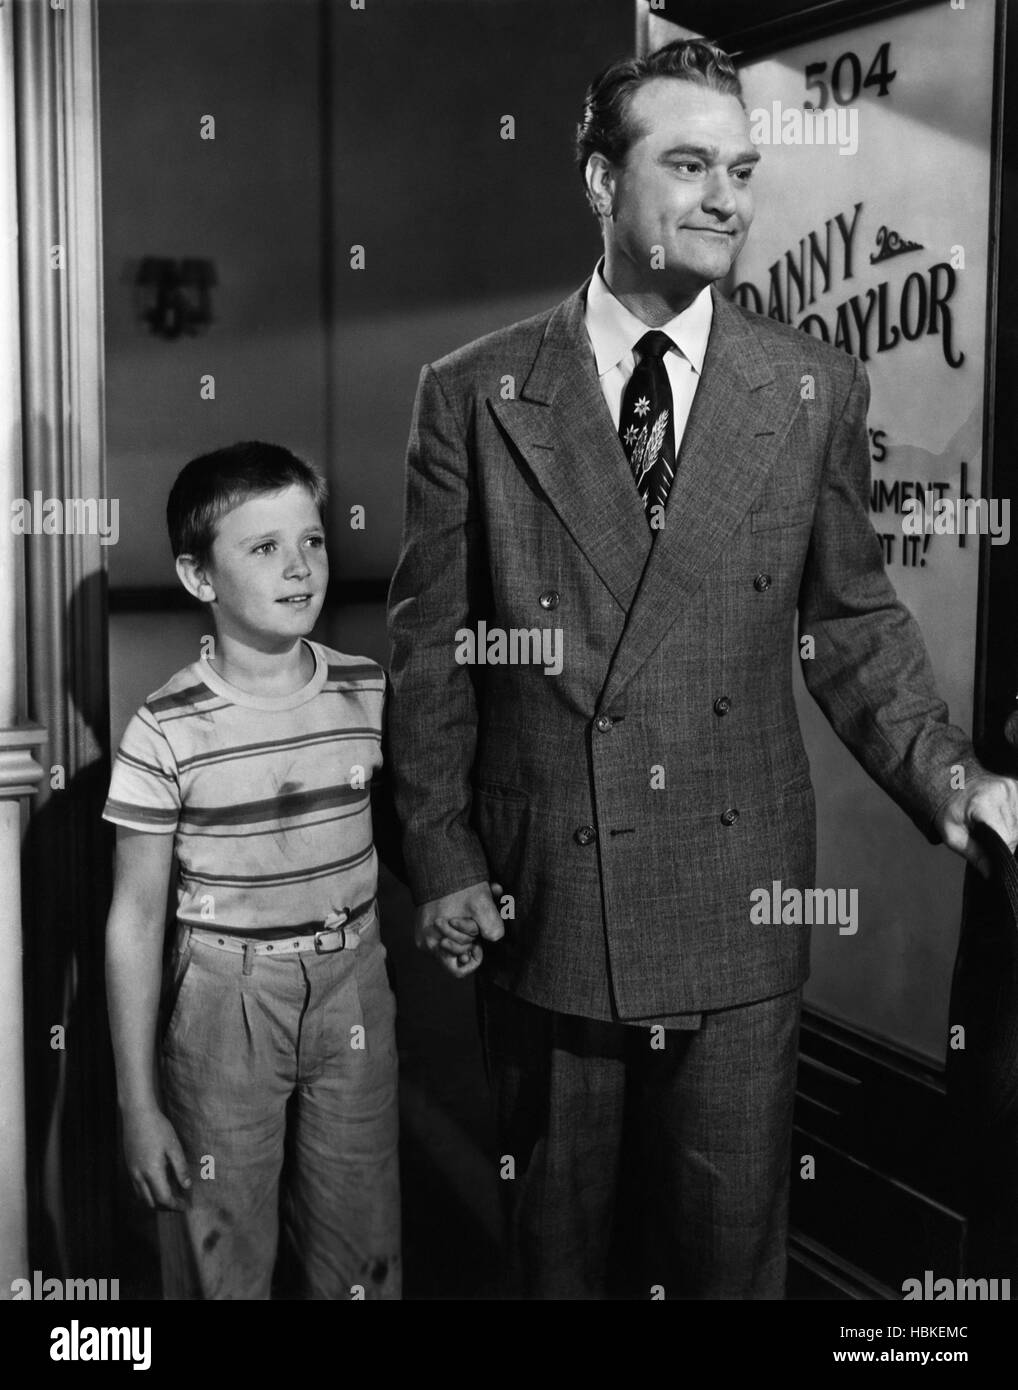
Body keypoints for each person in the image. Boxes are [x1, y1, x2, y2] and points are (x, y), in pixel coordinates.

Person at [386, 39, 1018, 1299]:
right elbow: (432, 651)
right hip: (547, 894)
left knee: (728, 1259)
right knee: (556, 1257)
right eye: (687, 164)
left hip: (737, 898)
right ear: (599, 183)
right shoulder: (476, 393)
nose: (728, 196)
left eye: (741, 166)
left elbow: (850, 622)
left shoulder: (807, 387)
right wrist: (444, 855)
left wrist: (950, 780)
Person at [103, 442, 400, 1300]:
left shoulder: (367, 691)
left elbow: (416, 834)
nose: (299, 567)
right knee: (221, 1262)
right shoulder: (165, 728)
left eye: (311, 541)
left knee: (364, 1260)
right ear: (199, 577)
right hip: (226, 1003)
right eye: (263, 548)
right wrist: (137, 1105)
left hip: (354, 985)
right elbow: (135, 917)